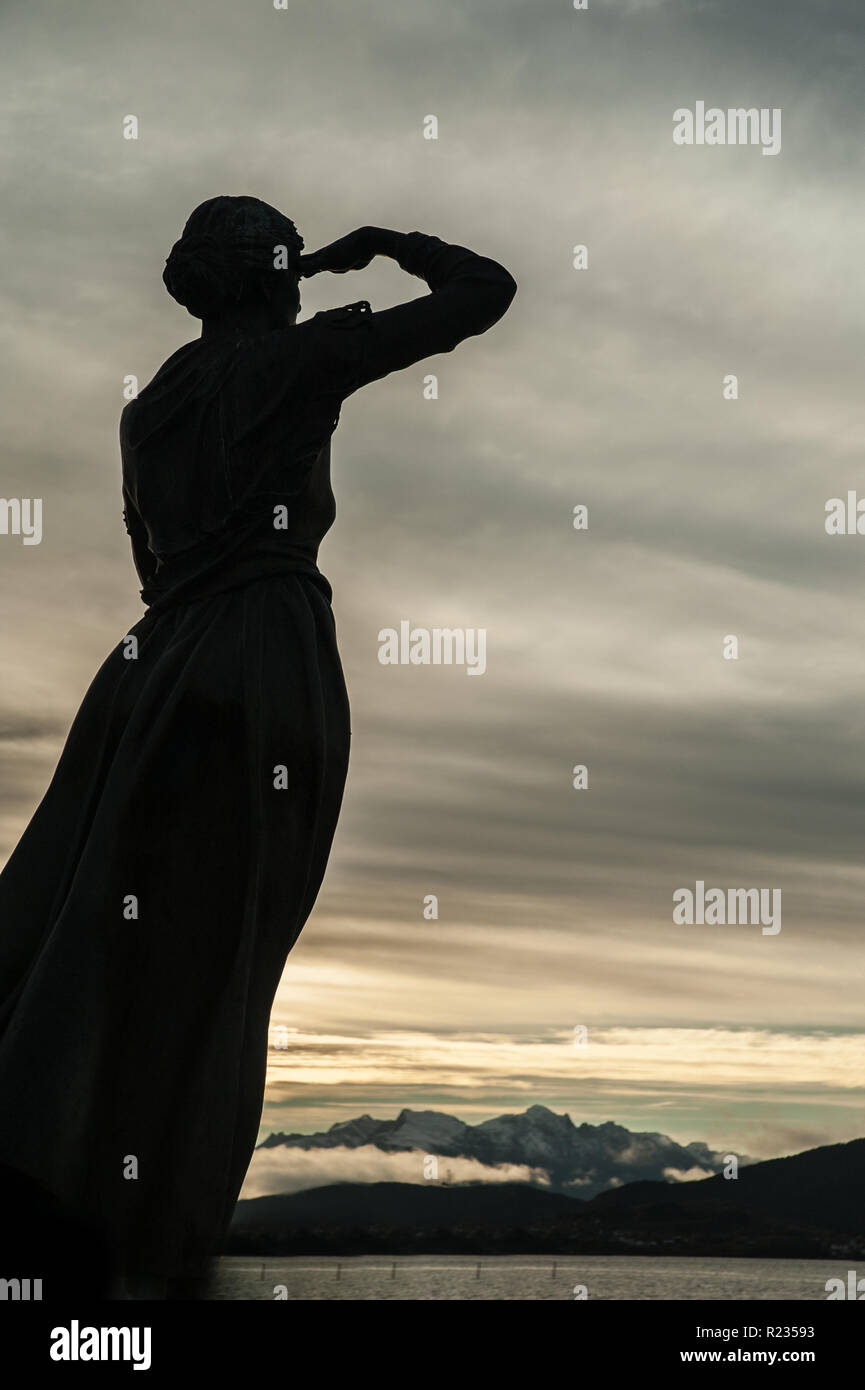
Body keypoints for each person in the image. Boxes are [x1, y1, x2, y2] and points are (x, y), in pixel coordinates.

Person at [0, 195, 516, 1298]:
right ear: (279, 275)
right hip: (261, 656)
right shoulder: (297, 359)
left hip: (148, 674)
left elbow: (149, 559)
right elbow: (484, 293)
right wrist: (381, 246)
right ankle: (155, 1240)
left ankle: (78, 1206)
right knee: (218, 961)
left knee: (99, 934)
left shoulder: (150, 411)